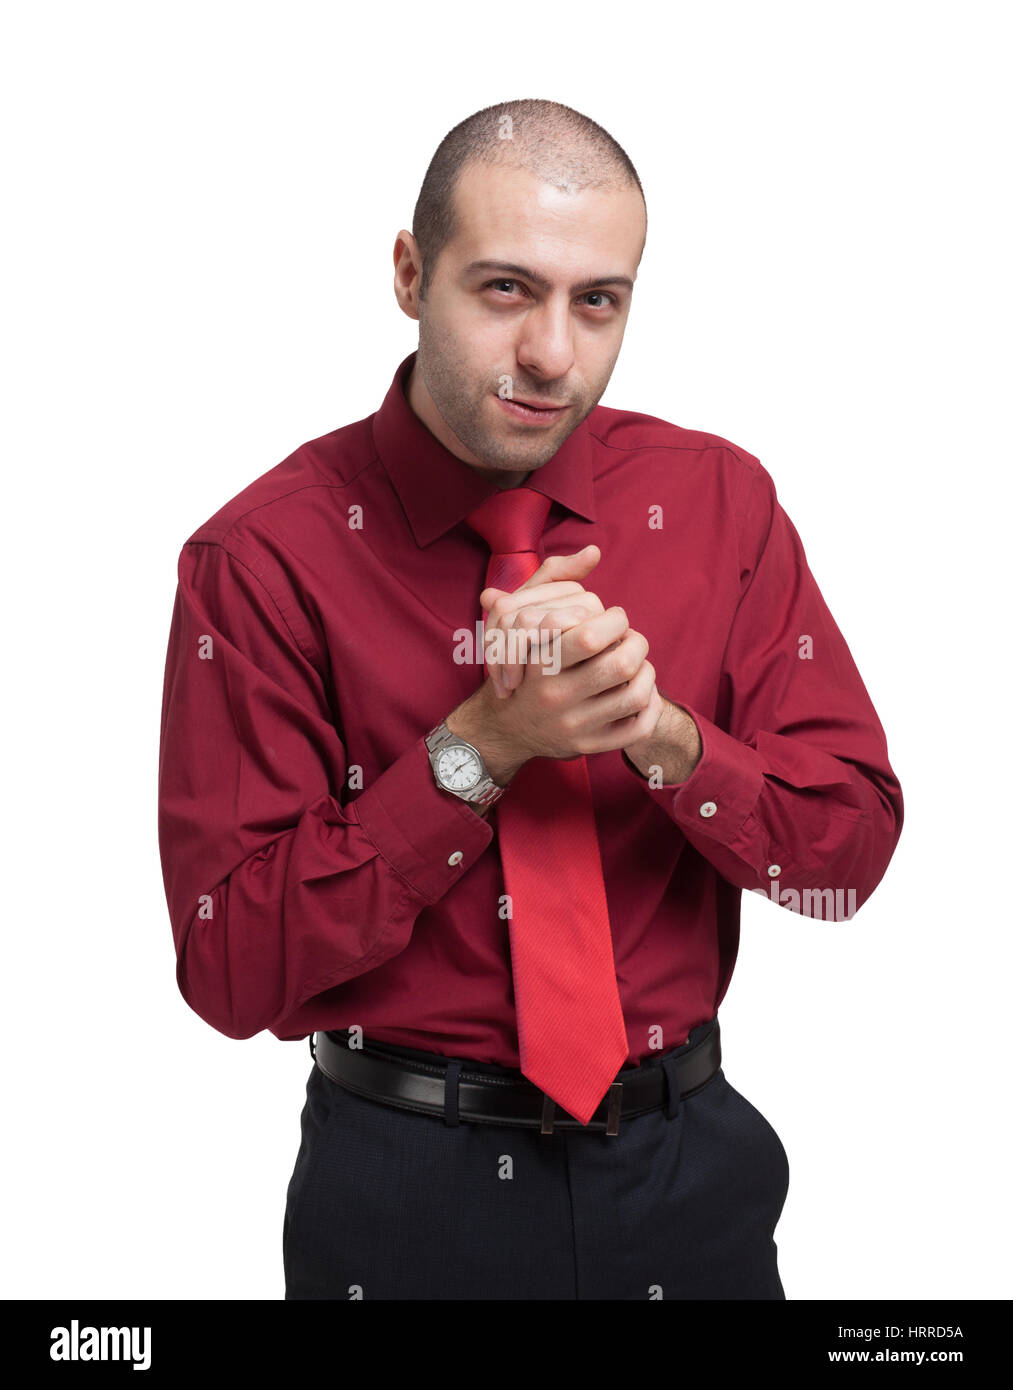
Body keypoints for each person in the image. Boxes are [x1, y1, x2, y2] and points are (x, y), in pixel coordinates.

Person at [157, 98, 903, 1301]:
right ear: (409, 272)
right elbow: (230, 968)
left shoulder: (719, 504)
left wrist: (662, 738)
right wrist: (479, 747)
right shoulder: (263, 559)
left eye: (596, 300)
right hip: (404, 1191)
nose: (553, 353)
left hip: (685, 1172)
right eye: (505, 289)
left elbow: (849, 849)